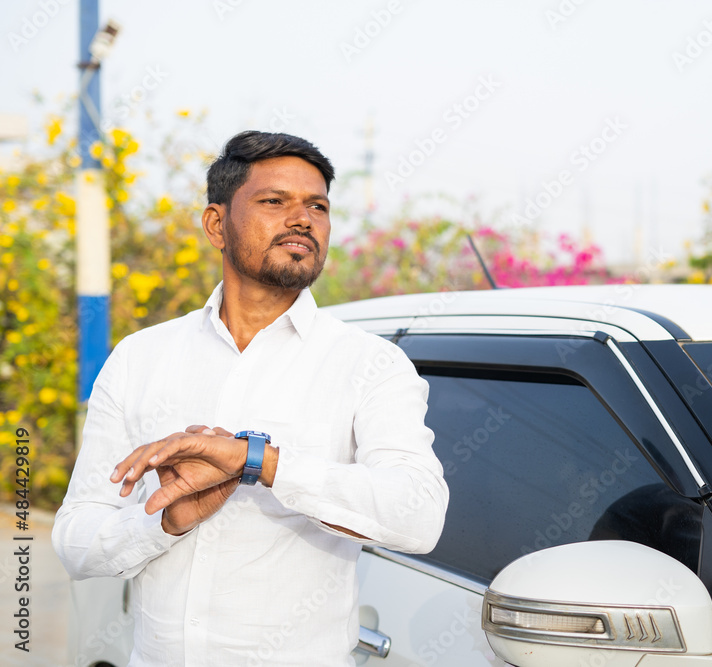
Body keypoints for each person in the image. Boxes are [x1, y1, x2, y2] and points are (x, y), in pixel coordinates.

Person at [52, 130, 448, 666]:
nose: (302, 219)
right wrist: (164, 522)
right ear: (217, 224)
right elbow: (76, 540)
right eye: (274, 201)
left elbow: (418, 516)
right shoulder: (141, 357)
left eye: (317, 206)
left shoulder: (370, 364)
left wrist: (259, 461)